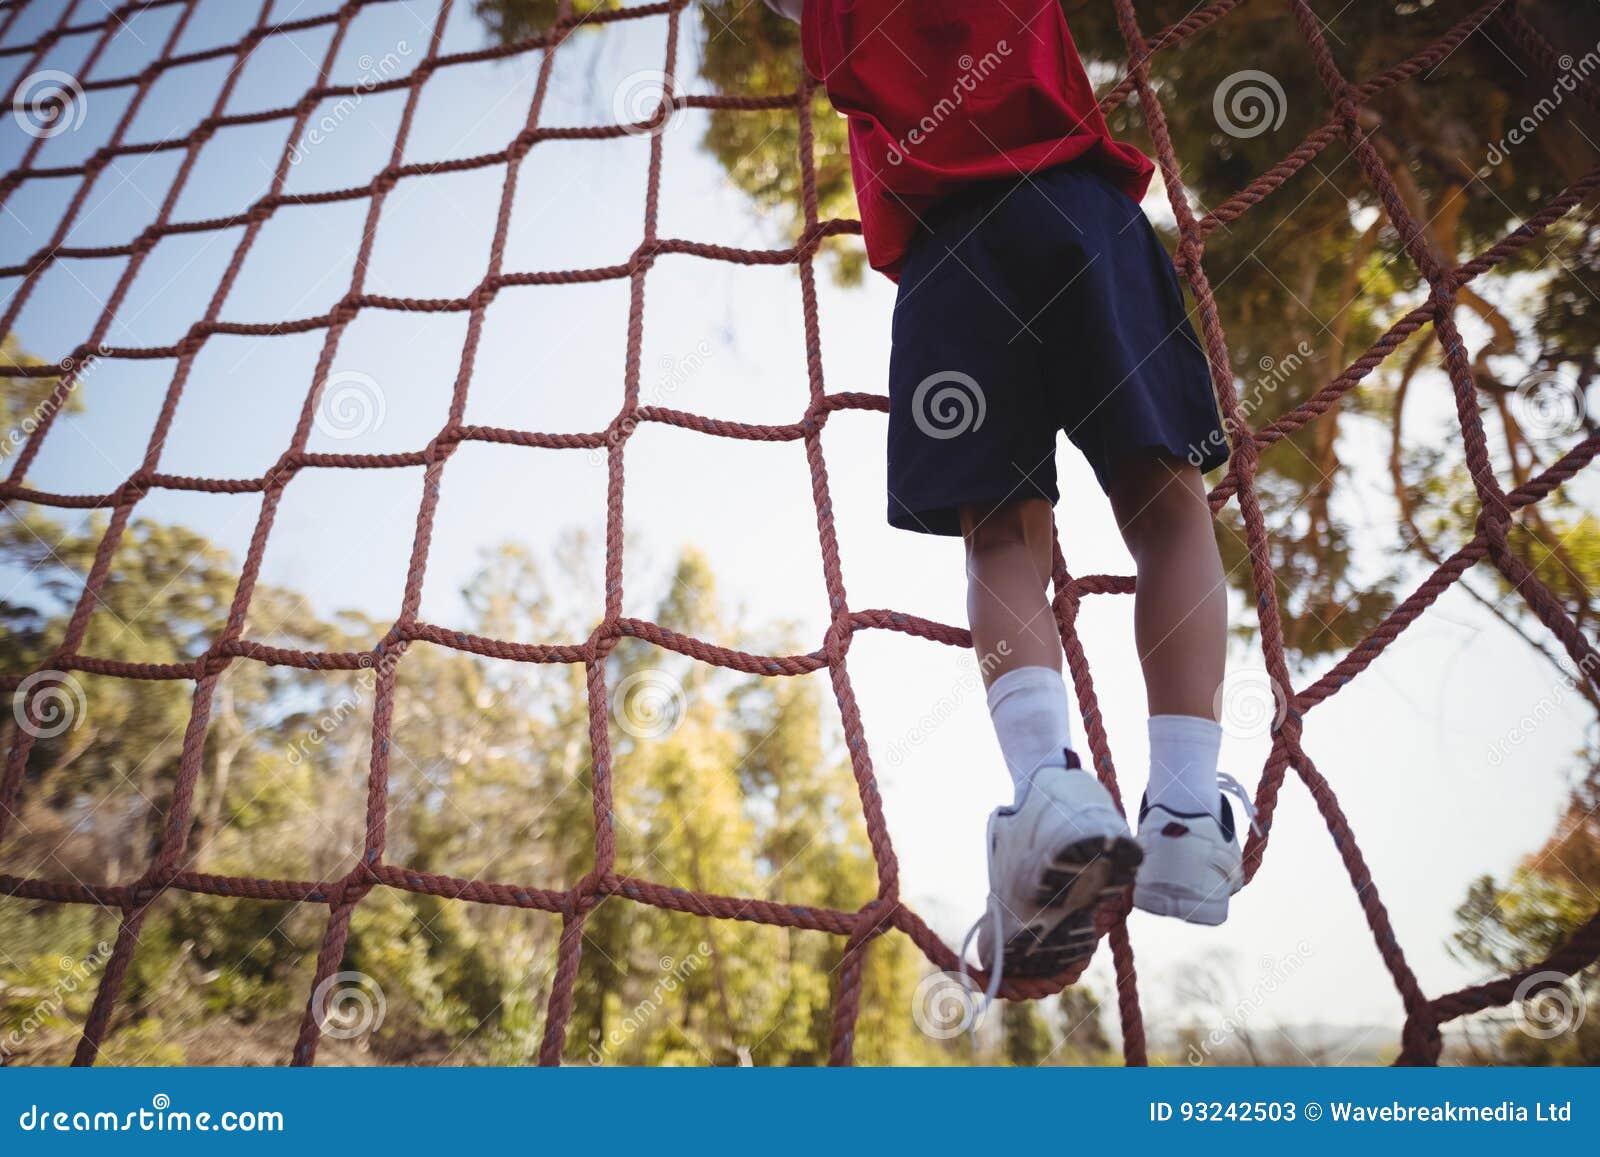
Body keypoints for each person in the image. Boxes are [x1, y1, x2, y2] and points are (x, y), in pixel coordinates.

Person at [762, 0, 1257, 989]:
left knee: (999, 540)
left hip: (952, 257)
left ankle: (1047, 788)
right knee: (1169, 512)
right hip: (1084, 215)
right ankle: (1189, 808)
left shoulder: (829, 14)